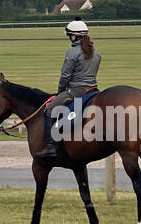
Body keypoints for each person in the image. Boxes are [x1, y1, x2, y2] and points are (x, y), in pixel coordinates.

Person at [39, 19, 101, 159]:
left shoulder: (72, 53)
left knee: (49, 111)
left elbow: (65, 76)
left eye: (70, 35)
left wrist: (60, 91)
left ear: (76, 36)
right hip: (93, 90)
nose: (69, 38)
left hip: (76, 91)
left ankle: (49, 147)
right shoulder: (96, 53)